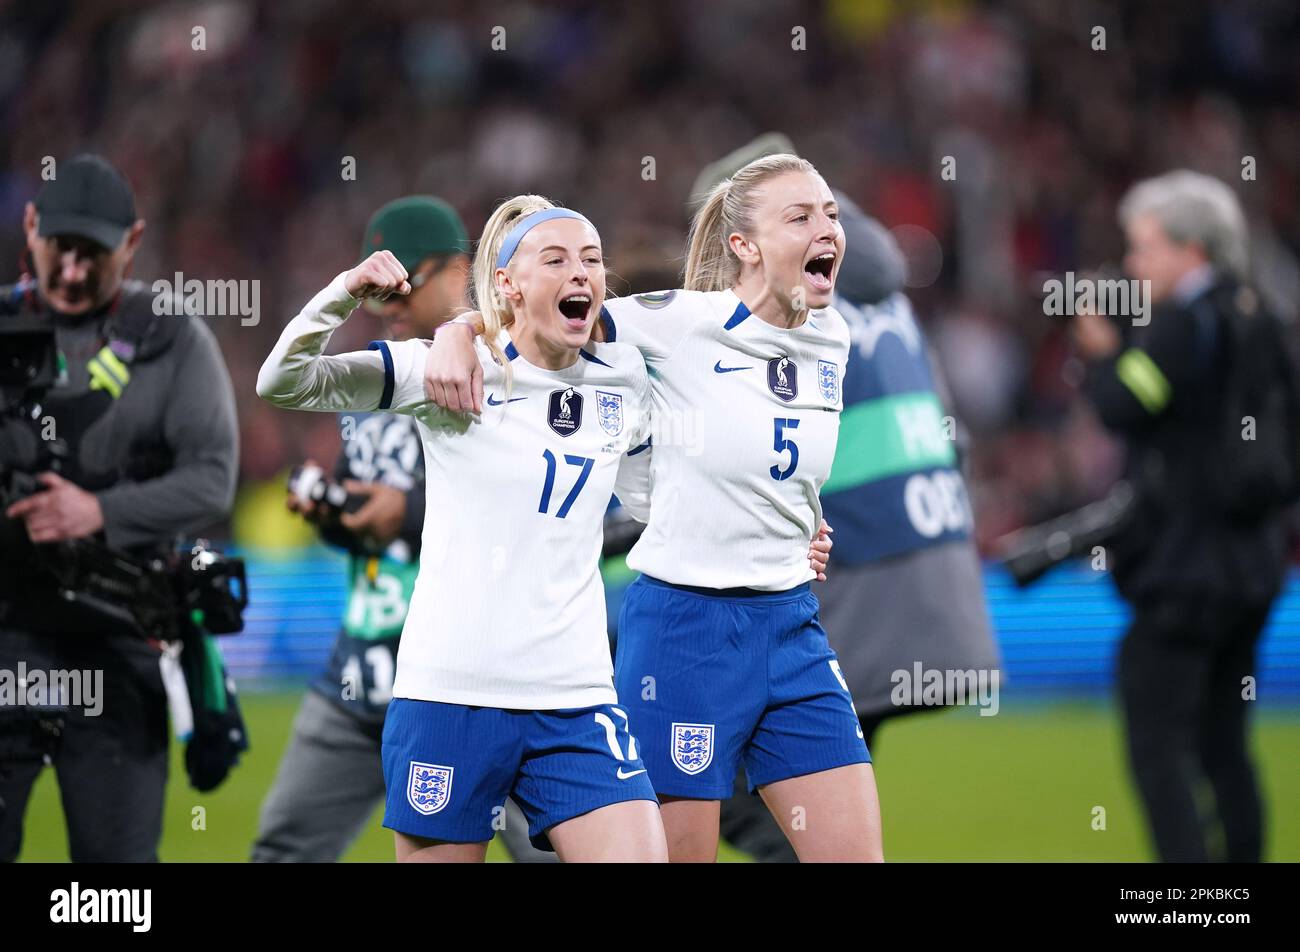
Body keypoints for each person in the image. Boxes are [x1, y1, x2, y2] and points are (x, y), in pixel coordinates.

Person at [425, 154, 881, 863]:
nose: (827, 228)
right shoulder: (675, 325)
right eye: (801, 216)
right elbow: (538, 321)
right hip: (686, 634)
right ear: (745, 247)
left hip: (792, 628)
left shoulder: (833, 338)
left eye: (830, 214)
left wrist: (798, 525)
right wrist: (456, 333)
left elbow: (776, 461)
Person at [257, 195, 668, 863]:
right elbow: (284, 381)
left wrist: (772, 534)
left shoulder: (622, 380)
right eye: (556, 259)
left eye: (592, 259)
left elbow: (658, 508)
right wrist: (342, 293)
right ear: (506, 282)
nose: (580, 273)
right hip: (449, 698)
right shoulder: (444, 371)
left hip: (577, 699)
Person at [691, 137, 1000, 862]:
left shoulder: (785, 303)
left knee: (727, 782)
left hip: (855, 593)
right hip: (930, 589)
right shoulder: (884, 291)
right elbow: (953, 441)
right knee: (812, 798)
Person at [0, 153, 239, 861]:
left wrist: (96, 512)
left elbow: (213, 480)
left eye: (93, 256)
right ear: (31, 225)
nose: (72, 271)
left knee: (115, 888)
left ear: (132, 243)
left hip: (118, 644)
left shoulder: (174, 339)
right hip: (6, 633)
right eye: (60, 250)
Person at [1072, 170, 1297, 862]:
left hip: (1186, 569)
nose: (1134, 266)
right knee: (1225, 743)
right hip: (1255, 564)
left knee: (1158, 747)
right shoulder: (1266, 314)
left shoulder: (1181, 322)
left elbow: (1125, 405)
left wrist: (1101, 351)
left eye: (1144, 248)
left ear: (1191, 249)